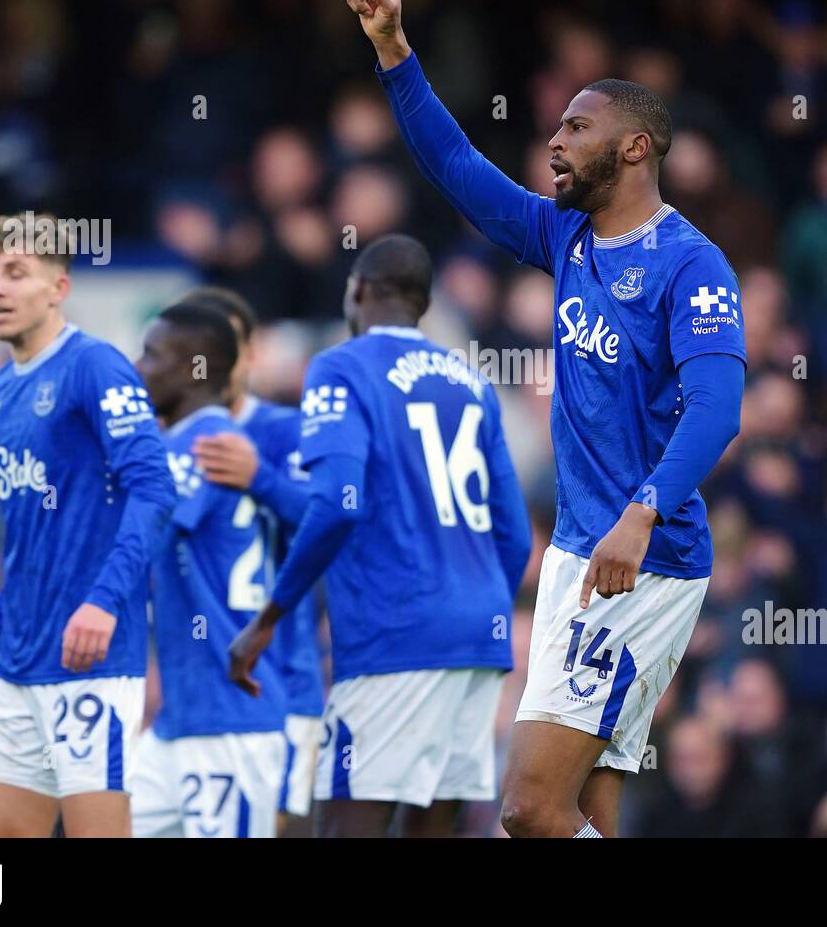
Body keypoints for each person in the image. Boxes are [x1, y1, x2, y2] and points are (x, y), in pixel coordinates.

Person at [344, 0, 746, 838]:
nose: (556, 142)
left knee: (525, 806)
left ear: (635, 146)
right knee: (582, 808)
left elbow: (719, 407)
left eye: (577, 128)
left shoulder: (692, 264)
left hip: (644, 556)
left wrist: (642, 512)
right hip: (581, 553)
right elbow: (457, 169)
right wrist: (395, 52)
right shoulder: (563, 237)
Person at [228, 234, 531, 837]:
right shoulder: (470, 382)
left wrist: (268, 616)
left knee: (346, 825)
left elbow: (338, 506)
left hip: (397, 633)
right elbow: (516, 535)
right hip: (478, 633)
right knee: (433, 827)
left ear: (359, 291)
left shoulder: (340, 365)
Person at [0, 213, 176, 837]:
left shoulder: (96, 367)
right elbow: (24, 534)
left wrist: (105, 602)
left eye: (16, 273)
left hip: (92, 659)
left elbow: (154, 486)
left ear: (58, 287)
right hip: (20, 655)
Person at [129, 302, 293, 838]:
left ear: (192, 367)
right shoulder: (214, 442)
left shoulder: (200, 446)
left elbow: (133, 534)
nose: (138, 365)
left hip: (231, 723)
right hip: (182, 717)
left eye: (152, 353)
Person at [180, 286, 325, 833]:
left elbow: (330, 525)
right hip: (190, 693)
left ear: (251, 353)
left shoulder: (291, 431)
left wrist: (260, 479)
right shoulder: (166, 442)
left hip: (279, 680)